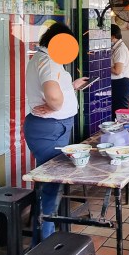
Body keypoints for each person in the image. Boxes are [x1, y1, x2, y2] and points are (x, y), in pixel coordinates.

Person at [24, 22, 89, 239]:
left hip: (51, 127)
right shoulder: (48, 62)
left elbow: (55, 88)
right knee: (51, 184)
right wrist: (57, 104)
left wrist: (70, 87)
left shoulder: (44, 59)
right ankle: (43, 242)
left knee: (50, 182)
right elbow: (52, 96)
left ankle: (45, 235)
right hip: (49, 129)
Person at [110, 24, 129, 112]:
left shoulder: (120, 49)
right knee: (116, 112)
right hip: (118, 83)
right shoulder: (116, 48)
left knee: (121, 113)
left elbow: (117, 71)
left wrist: (104, 66)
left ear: (113, 36)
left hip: (121, 84)